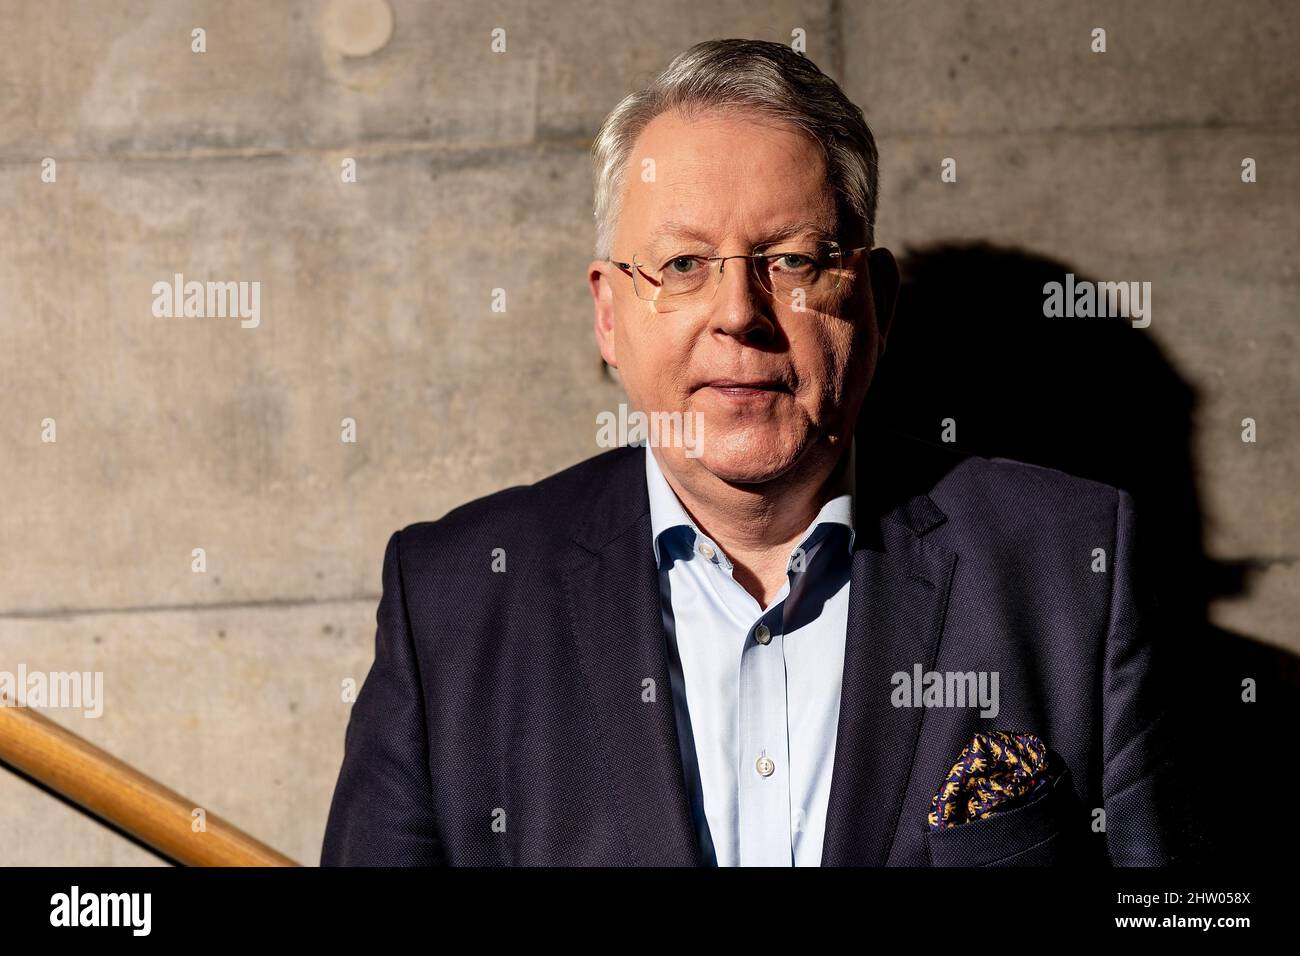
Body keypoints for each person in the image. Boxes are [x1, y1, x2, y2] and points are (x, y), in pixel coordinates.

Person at [321, 38, 1190, 866]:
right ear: (609, 315)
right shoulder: (453, 601)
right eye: (685, 264)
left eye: (793, 260)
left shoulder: (1073, 567)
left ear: (877, 304)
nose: (739, 311)